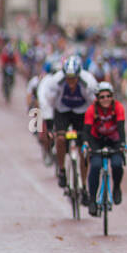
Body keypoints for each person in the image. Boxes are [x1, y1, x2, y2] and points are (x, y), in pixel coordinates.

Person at [39, 56, 97, 189]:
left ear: (78, 75)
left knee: (84, 149)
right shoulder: (56, 82)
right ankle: (62, 170)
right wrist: (49, 125)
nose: (70, 81)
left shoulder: (88, 82)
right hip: (62, 111)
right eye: (68, 78)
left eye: (73, 78)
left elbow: (94, 104)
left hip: (82, 112)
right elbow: (48, 103)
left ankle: (83, 185)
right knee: (60, 138)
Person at [83, 82, 127, 214]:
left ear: (112, 96)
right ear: (97, 98)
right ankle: (92, 199)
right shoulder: (91, 110)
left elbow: (121, 128)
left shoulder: (118, 107)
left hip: (114, 140)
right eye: (102, 97)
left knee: (117, 164)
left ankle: (117, 188)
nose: (105, 99)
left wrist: (122, 144)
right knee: (95, 166)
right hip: (97, 140)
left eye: (108, 96)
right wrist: (86, 143)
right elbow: (86, 130)